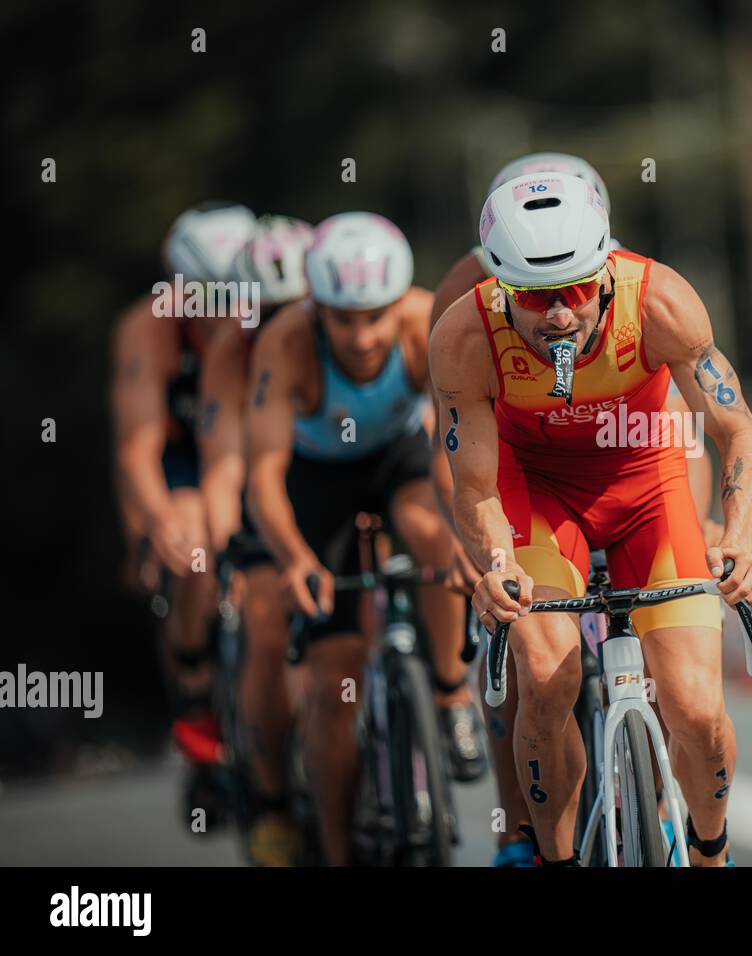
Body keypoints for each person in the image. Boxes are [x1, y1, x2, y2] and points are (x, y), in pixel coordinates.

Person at [430, 172, 752, 866]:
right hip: (536, 494)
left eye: (577, 290)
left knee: (697, 709)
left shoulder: (662, 299)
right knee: (548, 681)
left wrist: (736, 539)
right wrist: (496, 565)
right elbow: (473, 486)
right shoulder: (464, 332)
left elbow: (738, 431)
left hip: (647, 483)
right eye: (534, 297)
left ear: (605, 270)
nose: (558, 315)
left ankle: (710, 853)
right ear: (499, 285)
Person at [246, 211, 482, 865]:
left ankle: (449, 690)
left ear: (397, 303)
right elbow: (262, 474)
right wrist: (295, 559)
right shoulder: (287, 343)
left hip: (402, 458)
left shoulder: (425, 319)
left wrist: (464, 535)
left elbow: (450, 442)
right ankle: (337, 846)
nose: (361, 336)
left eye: (374, 315)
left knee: (432, 534)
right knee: (331, 680)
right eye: (343, 319)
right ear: (315, 306)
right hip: (317, 477)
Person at [110, 201, 257, 814]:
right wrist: (151, 528)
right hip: (180, 461)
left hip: (255, 449)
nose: (228, 315)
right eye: (211, 300)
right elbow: (136, 450)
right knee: (189, 543)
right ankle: (196, 692)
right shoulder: (149, 329)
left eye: (238, 296)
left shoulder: (273, 313)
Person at [198, 214, 315, 865]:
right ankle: (273, 802)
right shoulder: (231, 354)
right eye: (264, 311)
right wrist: (223, 552)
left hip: (339, 486)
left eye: (293, 307)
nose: (279, 325)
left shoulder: (350, 331)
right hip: (267, 499)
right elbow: (223, 465)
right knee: (267, 631)